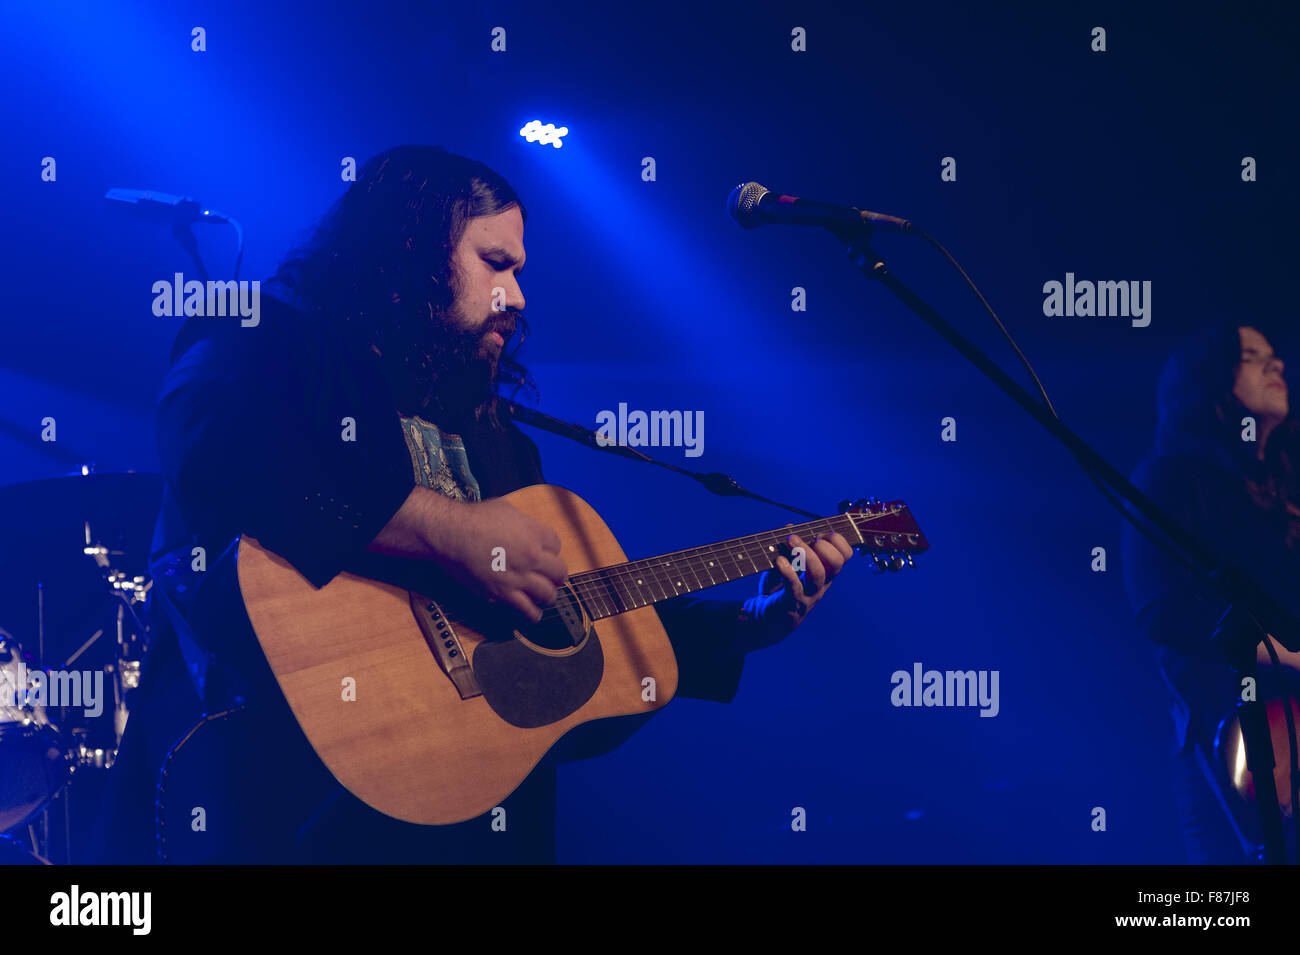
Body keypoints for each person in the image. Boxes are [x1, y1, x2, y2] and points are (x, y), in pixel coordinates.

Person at [91, 145, 855, 863]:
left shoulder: (496, 436)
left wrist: (744, 626)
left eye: (519, 271)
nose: (516, 296)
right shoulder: (272, 330)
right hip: (273, 792)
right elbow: (217, 449)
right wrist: (449, 532)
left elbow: (568, 645)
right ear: (411, 253)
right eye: (495, 263)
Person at [1123, 321, 1300, 863]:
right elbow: (1163, 613)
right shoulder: (1168, 477)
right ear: (1208, 383)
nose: (1277, 366)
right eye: (1251, 356)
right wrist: (1286, 656)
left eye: (1274, 355)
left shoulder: (1282, 486)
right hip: (1243, 737)